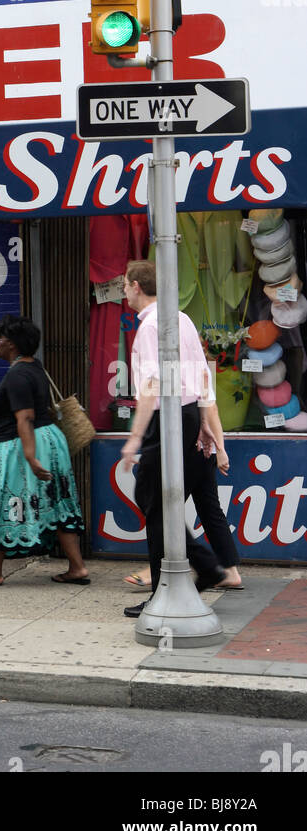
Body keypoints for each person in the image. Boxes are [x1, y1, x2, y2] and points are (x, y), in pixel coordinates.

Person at [120, 260, 233, 618]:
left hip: (164, 416)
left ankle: (202, 570)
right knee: (162, 501)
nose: (123, 290)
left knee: (152, 499)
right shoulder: (181, 318)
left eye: (125, 284)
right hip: (183, 415)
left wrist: (135, 437)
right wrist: (202, 421)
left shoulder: (152, 327)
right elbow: (202, 373)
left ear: (137, 286)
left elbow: (152, 387)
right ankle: (182, 580)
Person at [0, 315, 89, 588]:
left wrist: (30, 457)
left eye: (0, 339)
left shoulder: (17, 374)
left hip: (19, 447)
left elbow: (25, 418)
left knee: (1, 502)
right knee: (56, 503)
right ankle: (77, 567)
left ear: (12, 344)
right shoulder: (34, 367)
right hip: (50, 441)